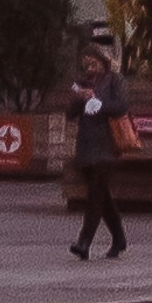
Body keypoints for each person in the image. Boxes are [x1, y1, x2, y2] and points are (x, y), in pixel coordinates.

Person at [64, 44, 129, 266]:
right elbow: (70, 114)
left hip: (107, 148)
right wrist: (80, 98)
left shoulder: (114, 80)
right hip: (86, 148)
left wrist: (98, 104)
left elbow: (121, 106)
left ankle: (84, 243)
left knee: (94, 196)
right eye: (87, 64)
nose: (90, 68)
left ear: (103, 62)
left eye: (94, 63)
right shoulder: (83, 83)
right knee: (103, 198)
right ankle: (119, 238)